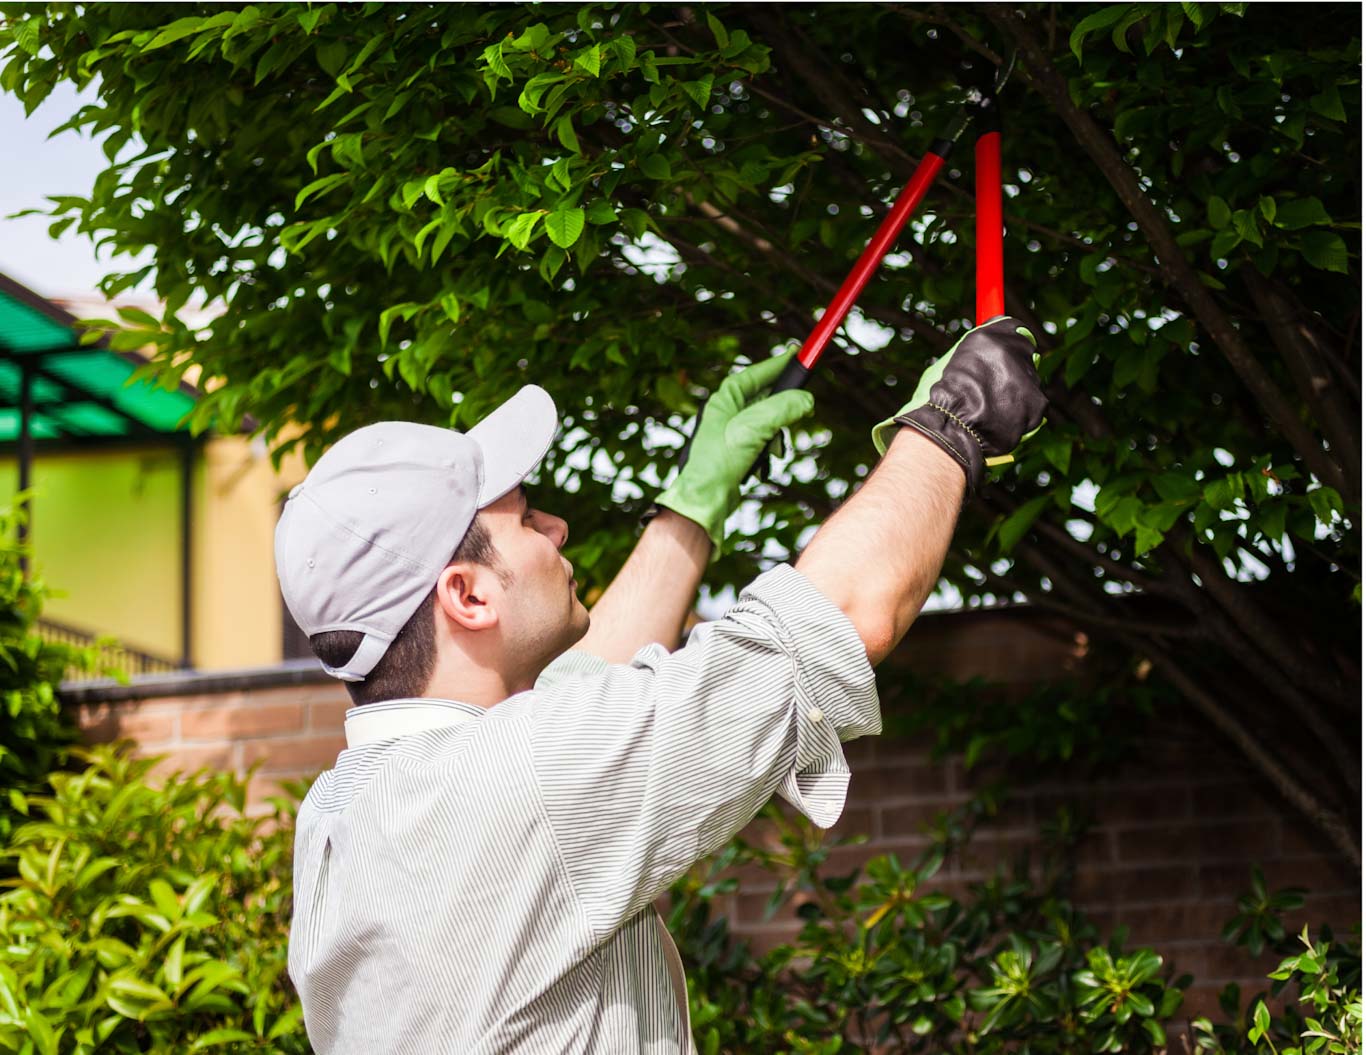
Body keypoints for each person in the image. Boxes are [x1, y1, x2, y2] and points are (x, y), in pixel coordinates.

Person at [276, 317, 1047, 1054]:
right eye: (524, 518)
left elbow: (589, 696)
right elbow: (832, 622)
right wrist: (950, 424)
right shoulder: (522, 780)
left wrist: (697, 495)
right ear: (469, 595)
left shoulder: (342, 812)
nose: (556, 529)